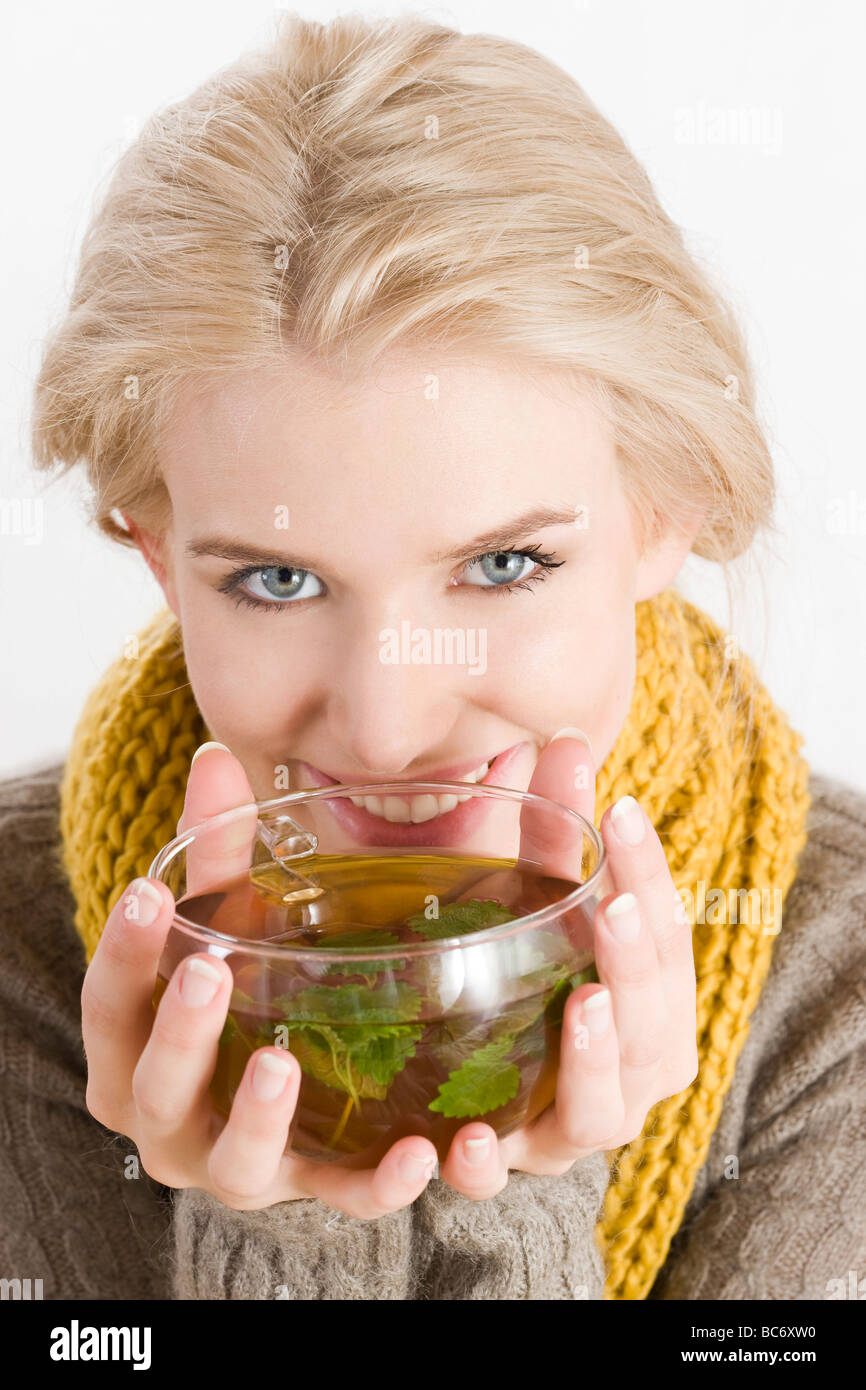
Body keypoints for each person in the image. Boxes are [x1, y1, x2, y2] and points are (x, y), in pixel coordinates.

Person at [2, 11, 863, 1302]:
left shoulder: (837, 989)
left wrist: (514, 1187)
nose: (390, 724)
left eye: (504, 565)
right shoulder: (19, 955)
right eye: (277, 580)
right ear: (156, 553)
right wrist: (282, 1224)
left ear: (664, 512)